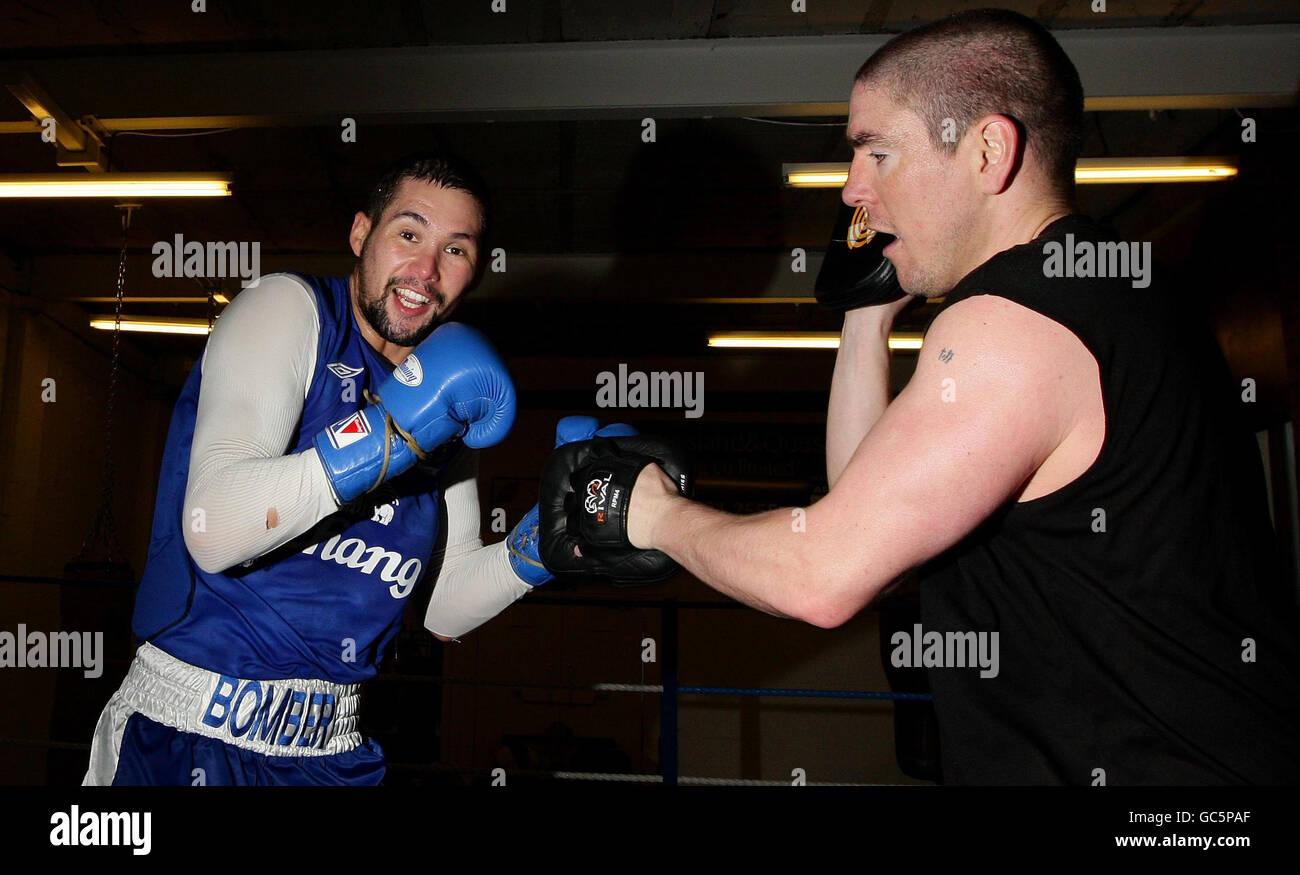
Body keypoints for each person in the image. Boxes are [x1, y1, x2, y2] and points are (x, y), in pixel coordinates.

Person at [542, 9, 1300, 784]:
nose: (851, 187)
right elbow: (869, 516)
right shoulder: (1107, 289)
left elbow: (822, 573)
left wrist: (650, 511)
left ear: (988, 151)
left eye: (877, 151)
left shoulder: (1016, 321)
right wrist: (867, 318)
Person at [82, 151, 611, 785]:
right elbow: (214, 527)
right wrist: (395, 430)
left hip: (333, 750)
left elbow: (441, 608)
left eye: (456, 250)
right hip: (192, 735)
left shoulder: (452, 402)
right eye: (409, 234)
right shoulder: (288, 311)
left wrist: (549, 541)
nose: (425, 270)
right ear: (361, 234)